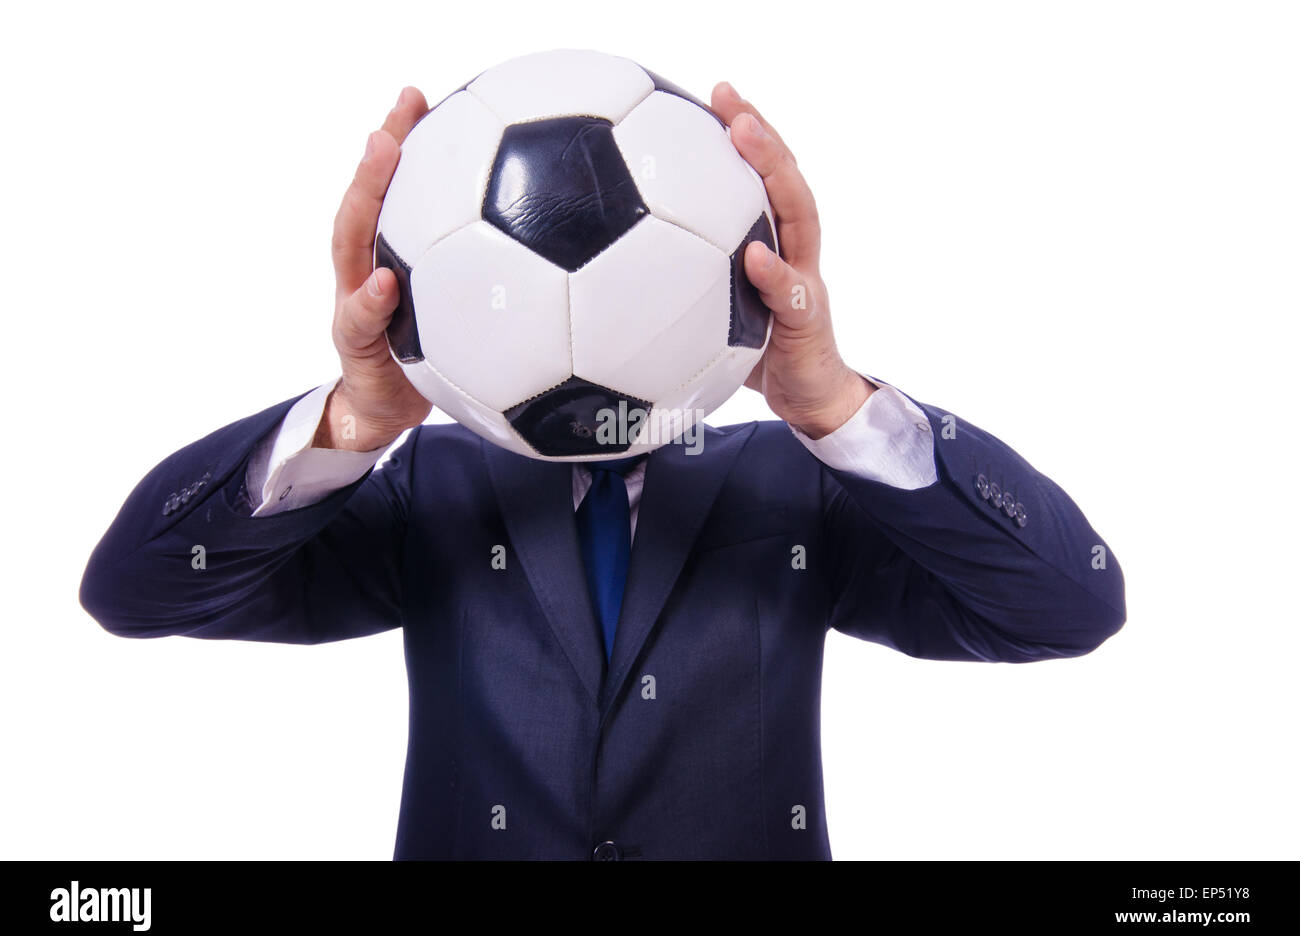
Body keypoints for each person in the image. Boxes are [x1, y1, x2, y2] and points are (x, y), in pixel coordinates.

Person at [79, 82, 1126, 860]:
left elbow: (1065, 606)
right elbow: (134, 589)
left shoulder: (791, 485)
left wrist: (832, 402)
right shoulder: (430, 491)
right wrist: (356, 416)